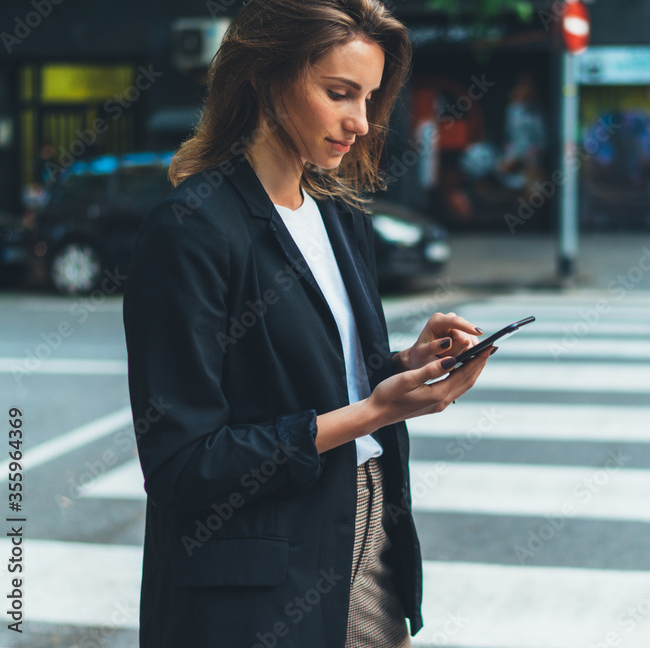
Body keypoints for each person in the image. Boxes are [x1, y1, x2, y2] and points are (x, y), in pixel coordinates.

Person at [122, 1, 493, 646]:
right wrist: (373, 413)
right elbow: (182, 465)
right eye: (339, 93)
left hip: (370, 521)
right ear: (266, 79)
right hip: (260, 574)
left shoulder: (337, 216)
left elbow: (320, 379)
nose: (361, 121)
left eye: (371, 97)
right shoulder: (191, 230)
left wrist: (404, 366)